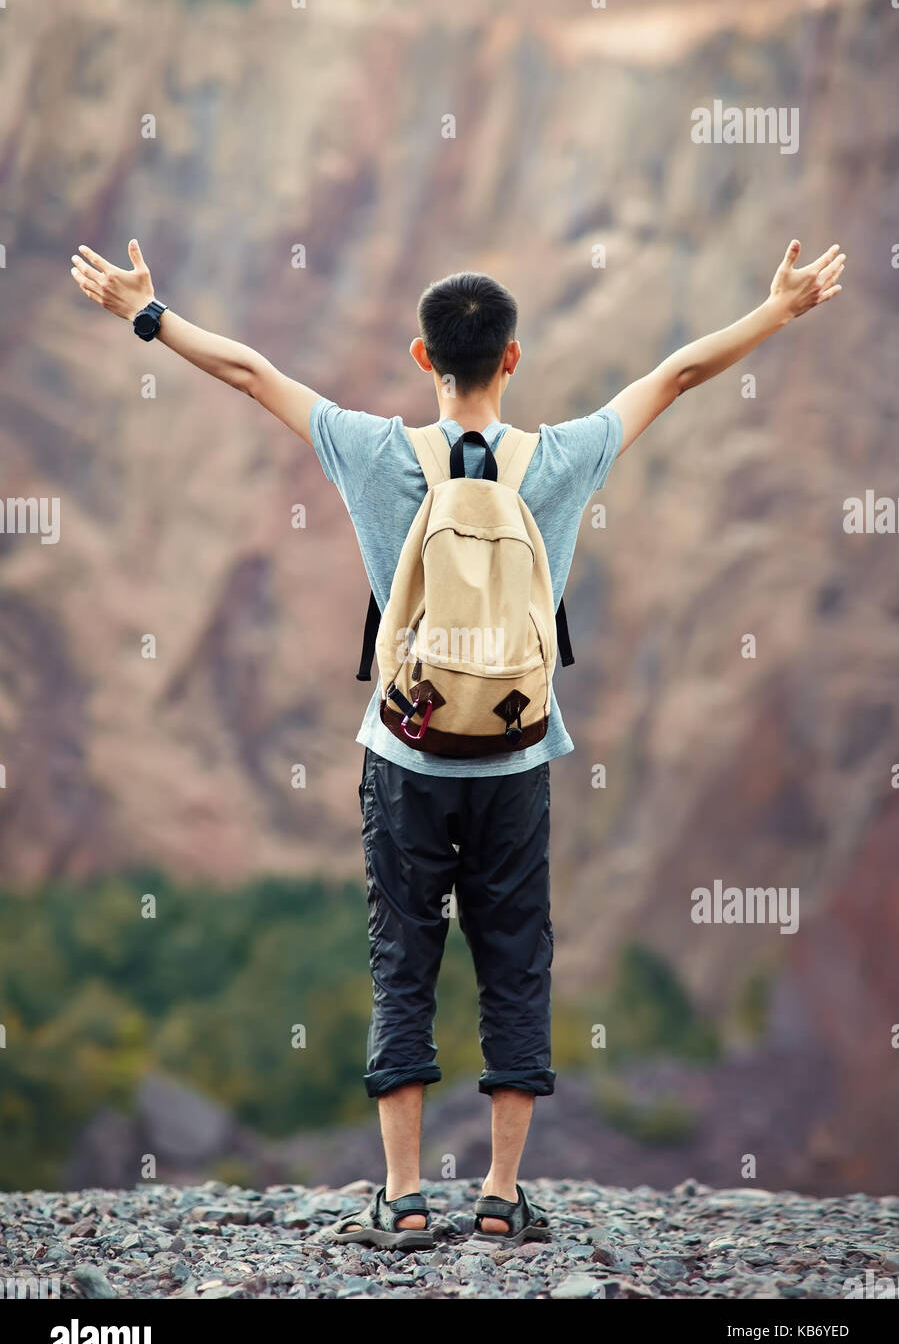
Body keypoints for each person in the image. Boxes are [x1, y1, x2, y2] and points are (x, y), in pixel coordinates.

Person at [70, 237, 845, 1249]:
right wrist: (779, 309)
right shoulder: (560, 457)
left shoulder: (369, 449)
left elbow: (251, 370)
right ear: (511, 359)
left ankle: (398, 1192)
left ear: (418, 356)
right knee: (514, 962)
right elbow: (679, 372)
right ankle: (497, 1191)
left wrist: (145, 311)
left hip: (404, 752)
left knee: (404, 960)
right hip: (517, 761)